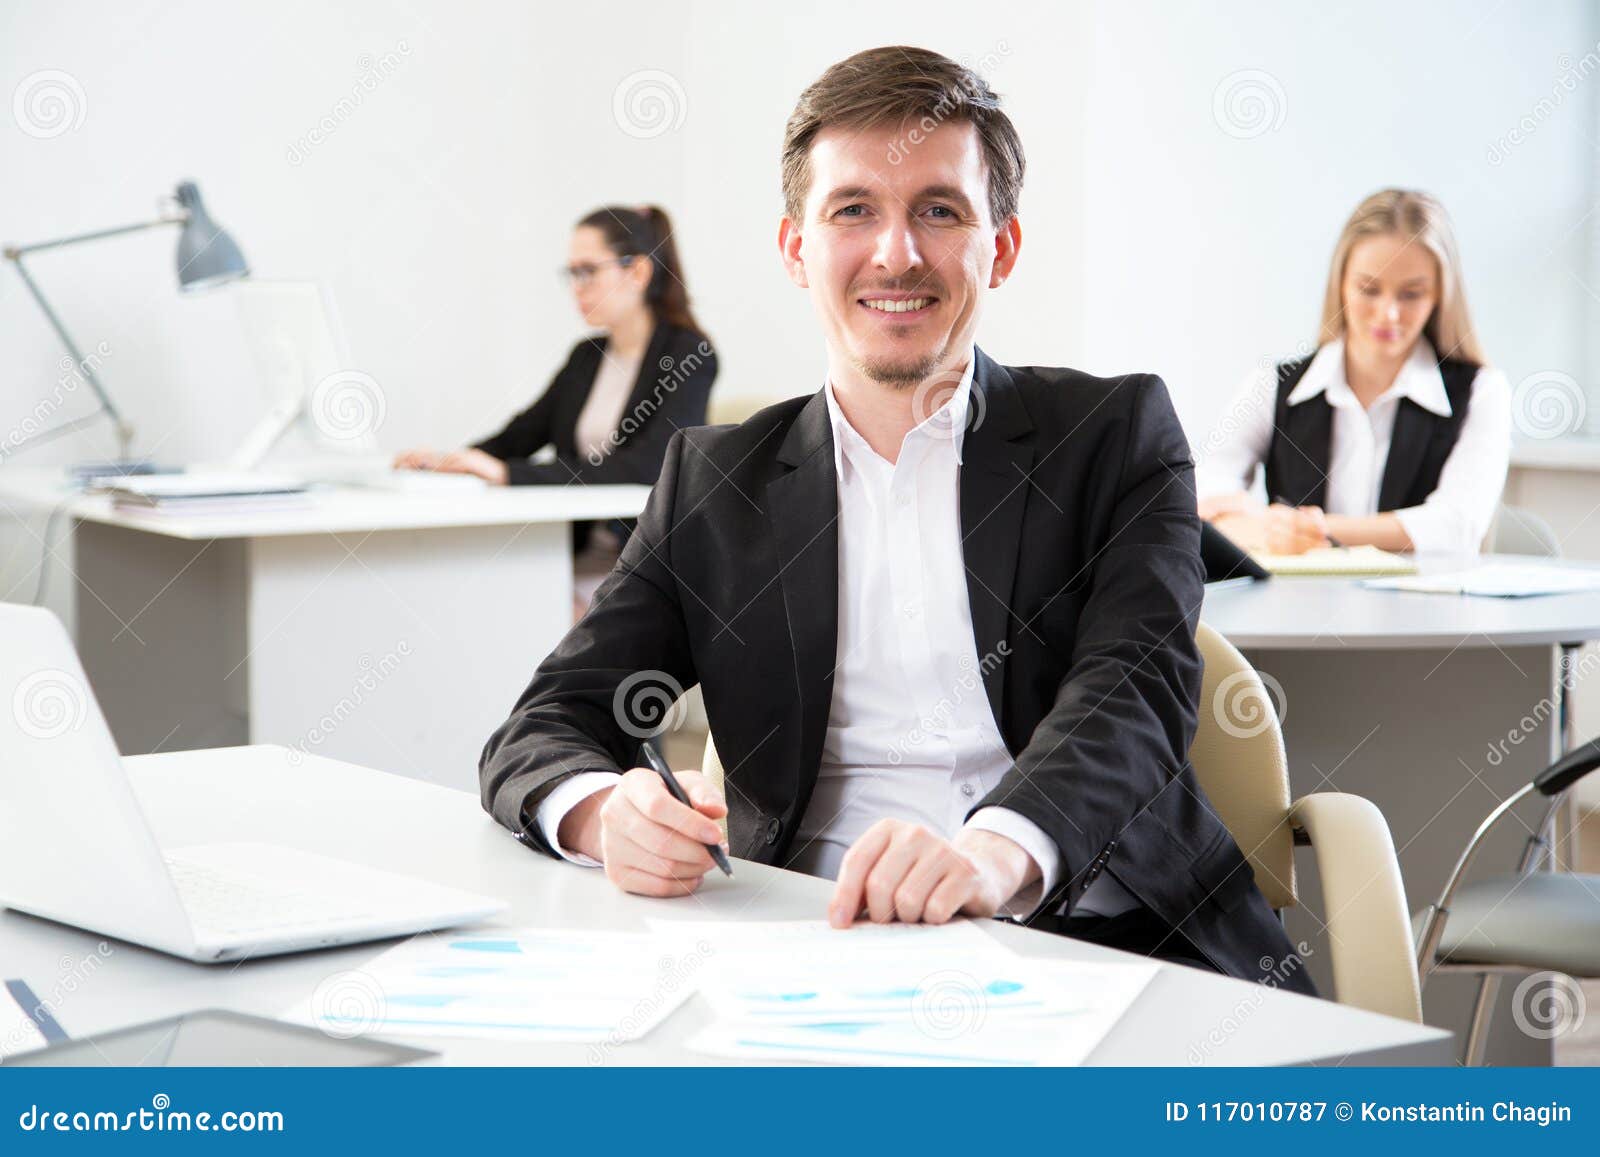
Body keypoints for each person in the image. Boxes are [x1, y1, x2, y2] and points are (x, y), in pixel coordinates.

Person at [478, 47, 1312, 992]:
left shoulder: (1114, 436)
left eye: (939, 210)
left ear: (1001, 247)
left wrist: (992, 854)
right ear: (797, 249)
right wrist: (600, 813)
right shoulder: (715, 481)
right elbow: (546, 721)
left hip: (1101, 938)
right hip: (811, 950)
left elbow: (1136, 689)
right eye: (853, 211)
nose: (896, 253)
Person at [395, 206, 718, 607]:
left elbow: (651, 463)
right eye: (571, 274)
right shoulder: (587, 356)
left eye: (588, 271)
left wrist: (509, 474)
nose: (576, 288)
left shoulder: (688, 353)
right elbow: (523, 433)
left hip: (644, 563)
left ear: (637, 272)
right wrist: (452, 461)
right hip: (577, 553)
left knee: (521, 611)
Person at [1197, 189, 1511, 556]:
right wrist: (1255, 530)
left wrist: (1310, 529)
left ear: (1440, 293)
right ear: (1341, 282)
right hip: (1294, 607)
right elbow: (1202, 494)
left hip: (1421, 612)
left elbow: (1456, 525)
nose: (1388, 314)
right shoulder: (1275, 385)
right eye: (1369, 288)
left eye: (1411, 294)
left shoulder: (1482, 392)